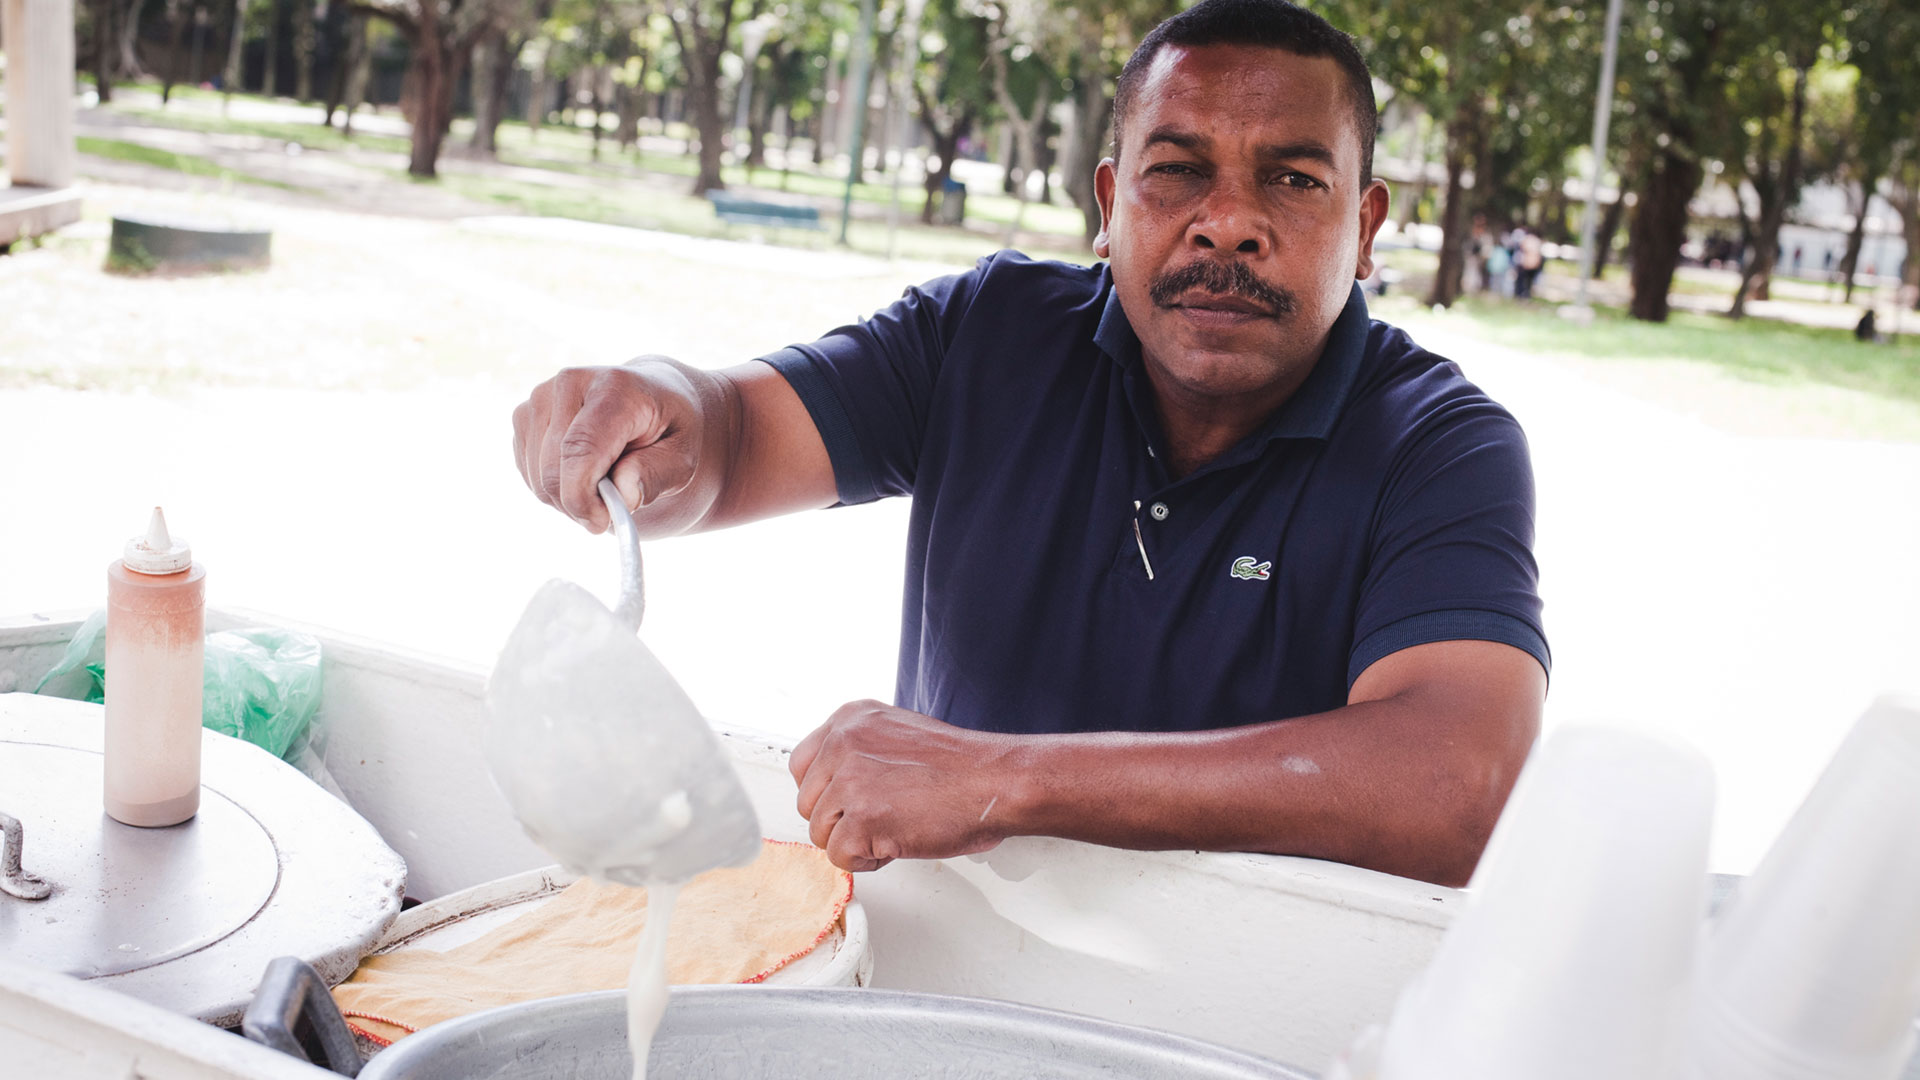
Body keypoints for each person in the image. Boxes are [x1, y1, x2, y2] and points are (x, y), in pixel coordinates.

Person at [510, 0, 1548, 889]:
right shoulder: (989, 332)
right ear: (1108, 205)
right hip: (952, 954)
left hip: (1247, 1003)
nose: (1227, 222)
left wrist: (999, 778)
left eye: (1291, 181)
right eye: (1178, 171)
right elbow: (732, 437)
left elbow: (1457, 787)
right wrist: (655, 406)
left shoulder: (1439, 445)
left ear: (1366, 228)